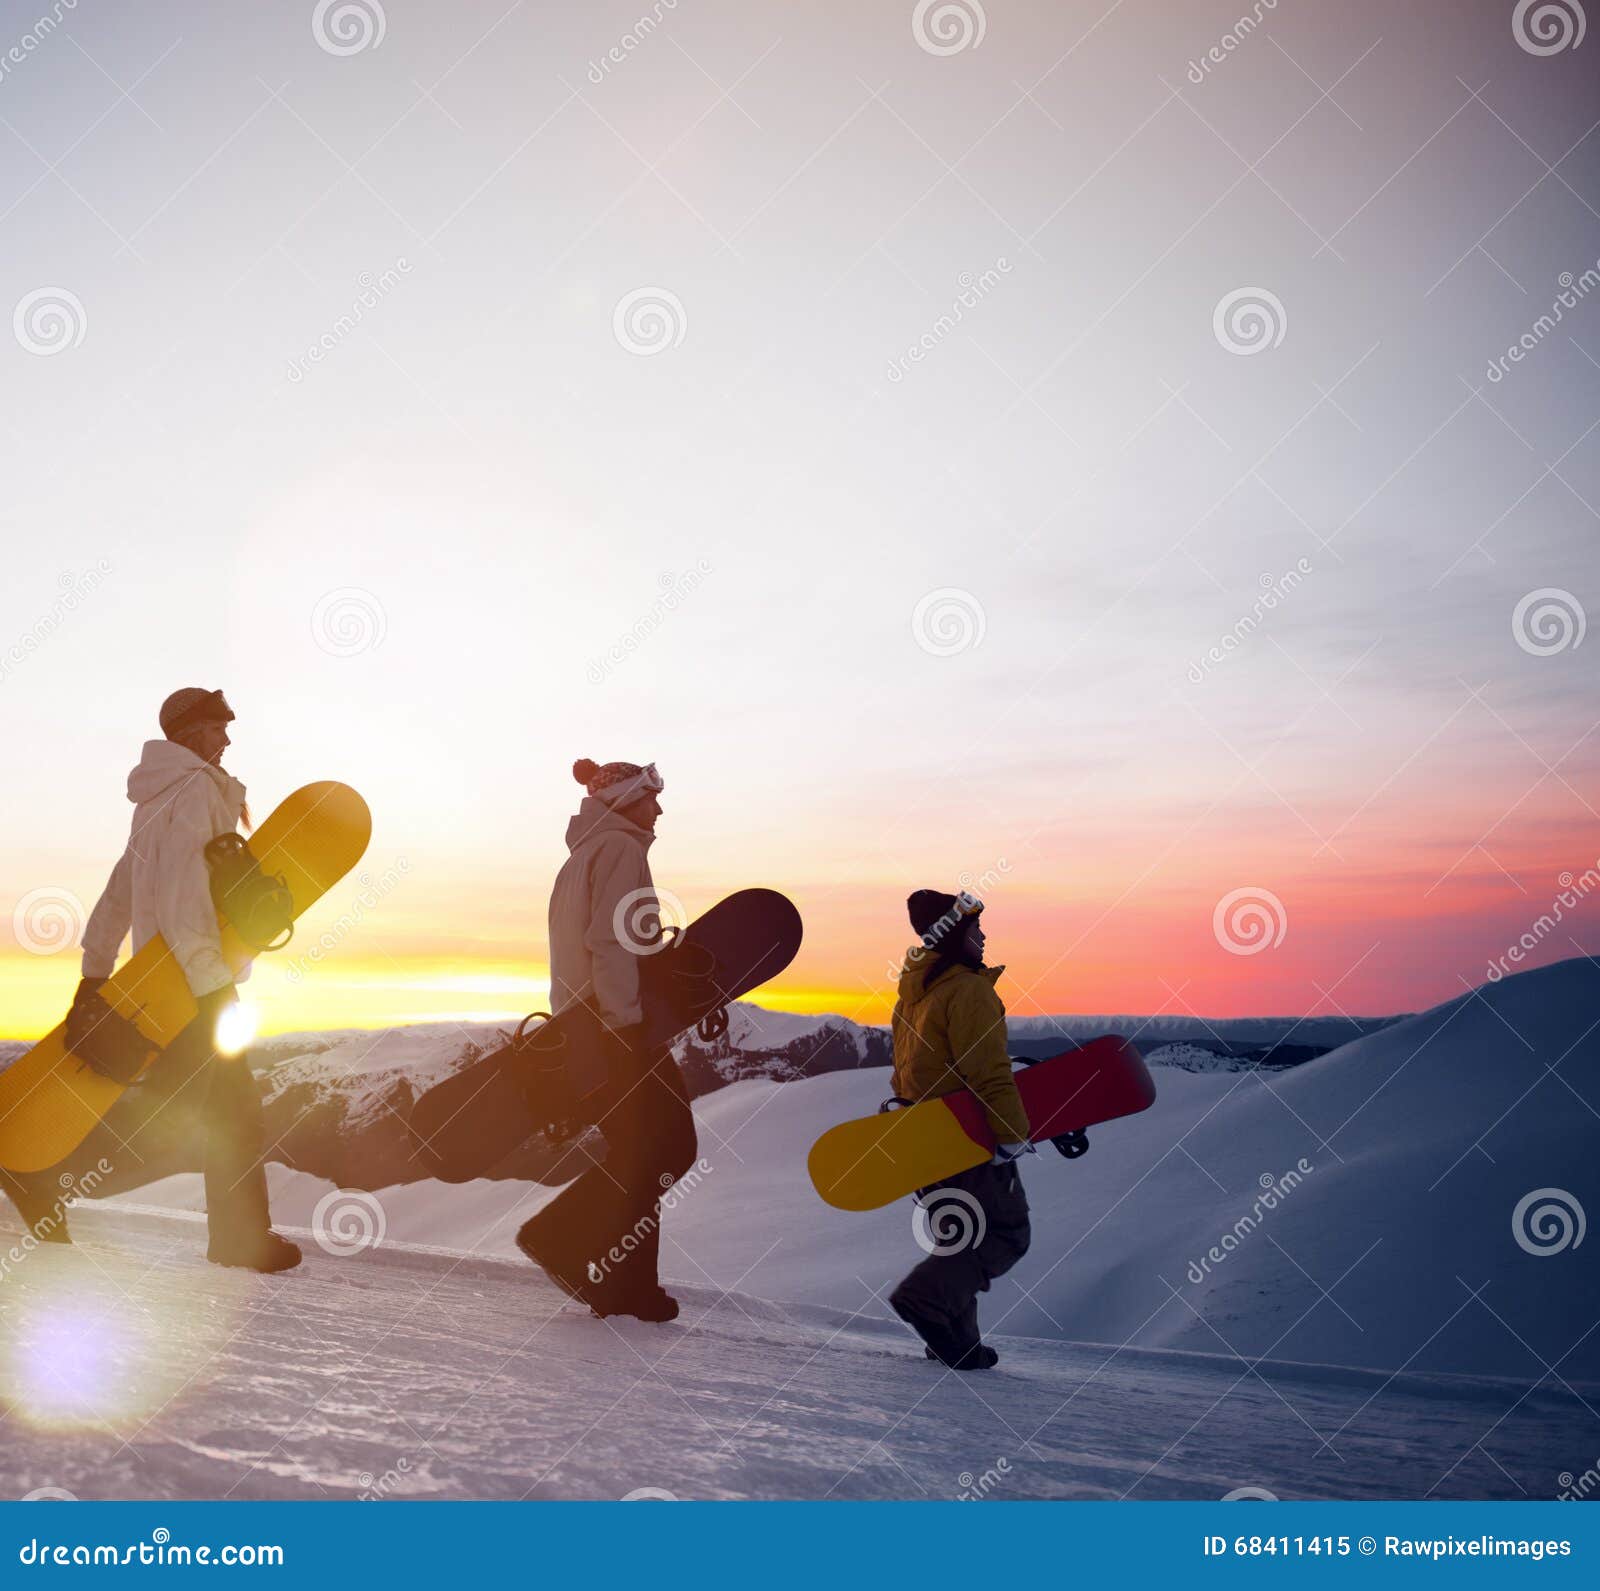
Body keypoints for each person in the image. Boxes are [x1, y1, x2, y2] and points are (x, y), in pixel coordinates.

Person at [22, 689, 300, 1271]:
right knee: (218, 1110)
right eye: (218, 728)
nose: (227, 740)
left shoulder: (157, 796)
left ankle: (44, 1174)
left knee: (200, 1107)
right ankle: (41, 1174)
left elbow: (122, 885)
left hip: (166, 981)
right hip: (193, 983)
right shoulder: (195, 789)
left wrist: (95, 969)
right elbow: (182, 897)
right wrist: (213, 988)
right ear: (192, 732)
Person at [515, 758, 697, 1322]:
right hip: (613, 1024)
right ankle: (559, 1237)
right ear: (623, 801)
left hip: (585, 1024)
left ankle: (628, 1285)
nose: (659, 809)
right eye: (650, 798)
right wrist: (625, 1025)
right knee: (670, 1147)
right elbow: (610, 942)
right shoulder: (619, 848)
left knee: (643, 1150)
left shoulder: (581, 857)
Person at [886, 889, 1033, 1370]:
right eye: (975, 929)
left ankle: (956, 1340)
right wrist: (1010, 1135)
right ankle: (924, 1300)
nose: (983, 937)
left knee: (959, 1235)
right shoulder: (968, 990)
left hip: (926, 1135)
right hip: (967, 1136)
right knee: (1005, 1234)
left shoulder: (913, 995)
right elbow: (987, 1070)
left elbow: (906, 1073)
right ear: (954, 936)